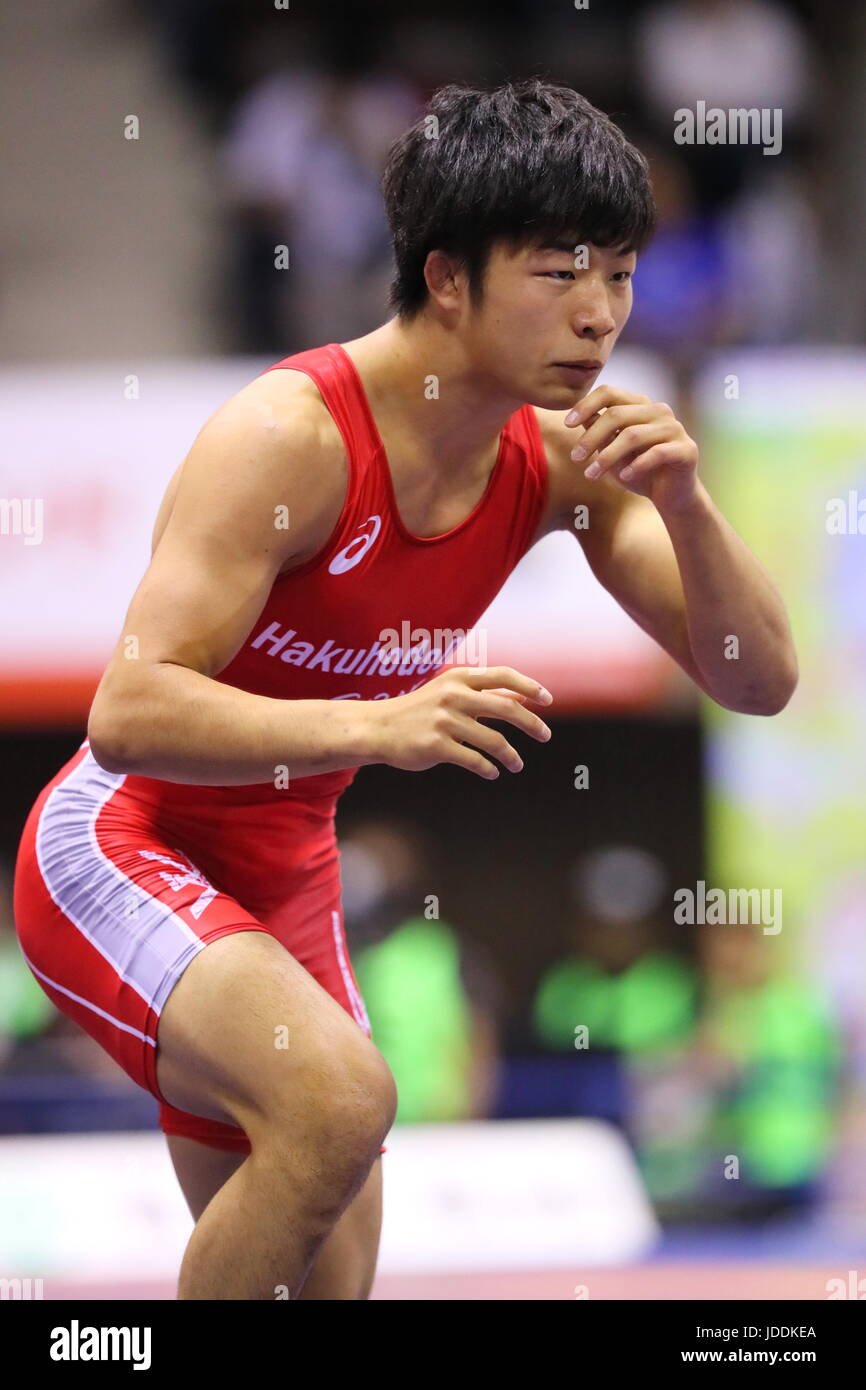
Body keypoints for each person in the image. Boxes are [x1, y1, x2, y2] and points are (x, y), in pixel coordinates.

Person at [12, 79, 798, 1301]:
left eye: (620, 277)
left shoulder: (558, 460)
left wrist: (688, 508)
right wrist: (378, 721)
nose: (598, 318)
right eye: (557, 275)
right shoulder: (291, 435)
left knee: (331, 1282)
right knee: (339, 1100)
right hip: (124, 843)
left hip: (284, 870)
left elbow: (757, 682)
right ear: (446, 278)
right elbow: (129, 713)